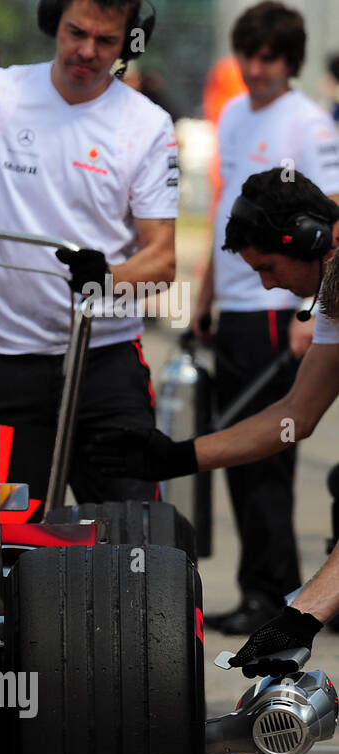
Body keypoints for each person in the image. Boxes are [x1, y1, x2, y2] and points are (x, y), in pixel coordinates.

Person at [0, 0, 177, 516]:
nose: (87, 51)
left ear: (130, 42)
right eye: (76, 32)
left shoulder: (149, 125)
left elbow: (162, 261)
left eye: (106, 41)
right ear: (54, 23)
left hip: (103, 359)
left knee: (136, 529)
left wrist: (110, 277)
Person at [90, 169, 339, 674]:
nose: (268, 284)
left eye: (268, 267)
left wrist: (301, 616)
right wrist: (177, 456)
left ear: (311, 239)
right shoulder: (332, 285)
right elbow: (295, 414)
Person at [188, 2, 339, 635]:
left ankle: (280, 588)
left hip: (289, 310)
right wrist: (204, 293)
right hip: (238, 304)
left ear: (292, 61)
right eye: (248, 54)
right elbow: (228, 205)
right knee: (245, 445)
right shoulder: (229, 114)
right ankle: (260, 585)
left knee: (275, 457)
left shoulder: (308, 121)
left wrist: (315, 313)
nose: (256, 68)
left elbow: (325, 212)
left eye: (269, 56)